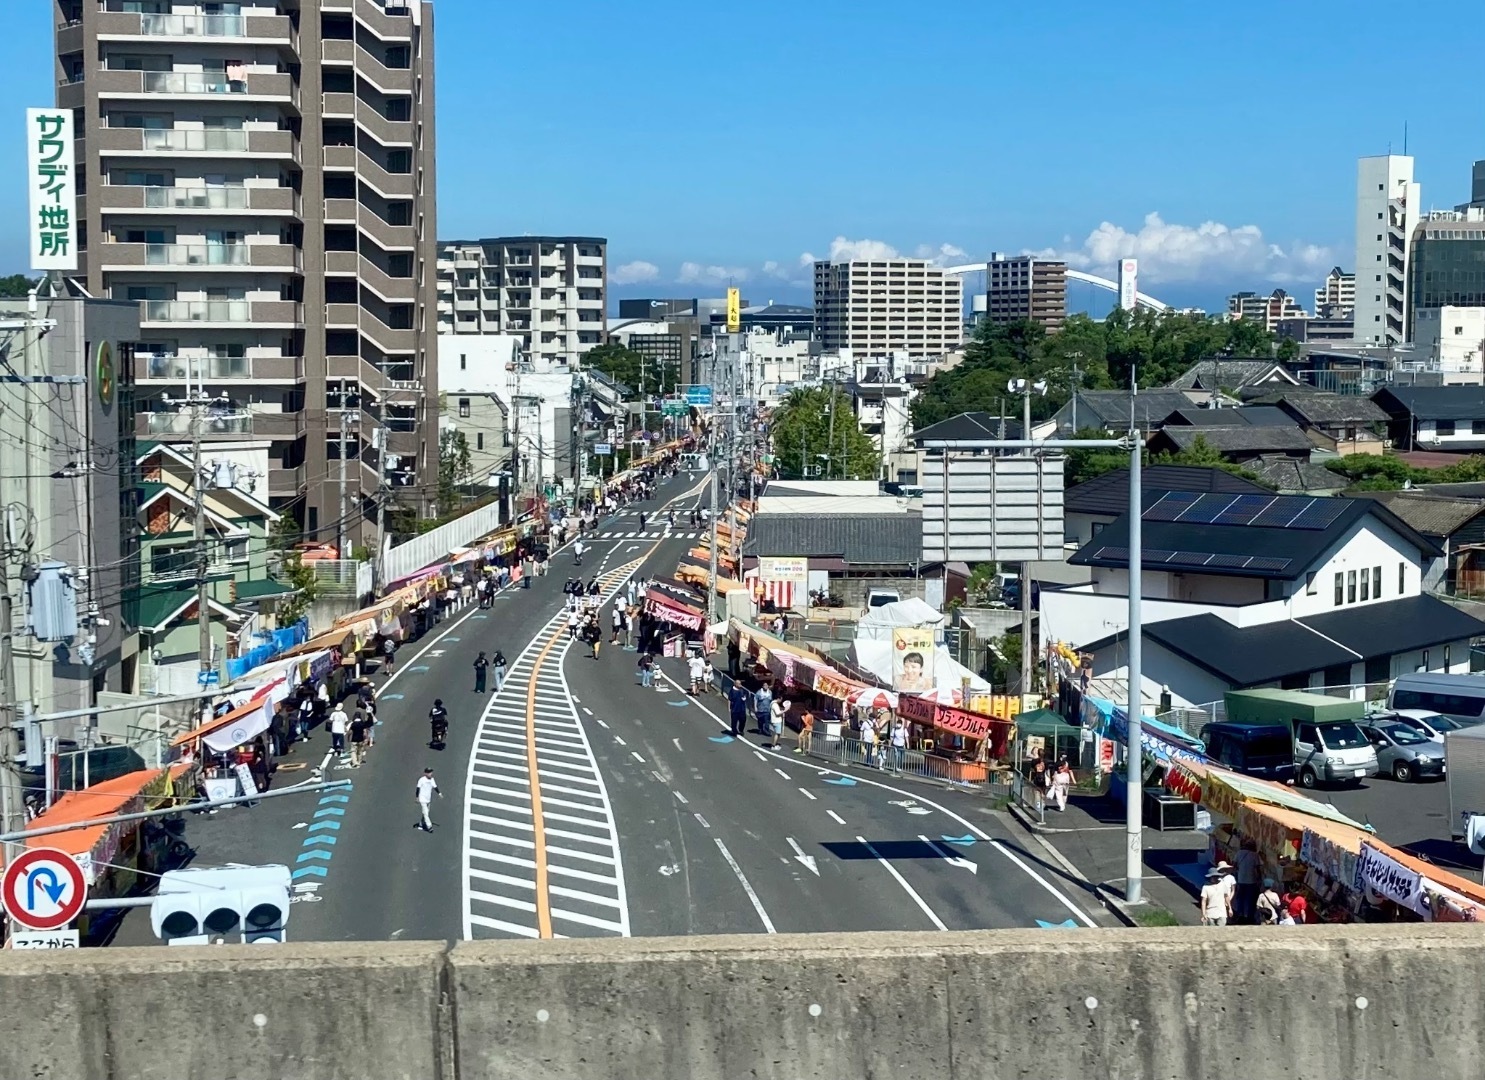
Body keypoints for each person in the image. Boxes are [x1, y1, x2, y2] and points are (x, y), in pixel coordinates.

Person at [1233, 837, 1262, 924]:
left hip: (1241, 879)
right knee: (1250, 900)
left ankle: (1240, 915)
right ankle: (1250, 916)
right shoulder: (1255, 855)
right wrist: (1259, 878)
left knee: (1240, 899)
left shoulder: (1239, 853)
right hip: (1252, 880)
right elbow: (1258, 868)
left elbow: (1234, 864)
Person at [415, 768, 441, 832]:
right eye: (429, 772)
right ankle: (429, 827)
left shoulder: (432, 780)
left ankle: (421, 824)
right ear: (425, 773)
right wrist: (417, 797)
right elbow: (418, 788)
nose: (430, 774)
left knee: (425, 813)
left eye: (431, 772)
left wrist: (439, 793)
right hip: (422, 799)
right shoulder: (421, 780)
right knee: (426, 813)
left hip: (428, 799)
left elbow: (435, 787)